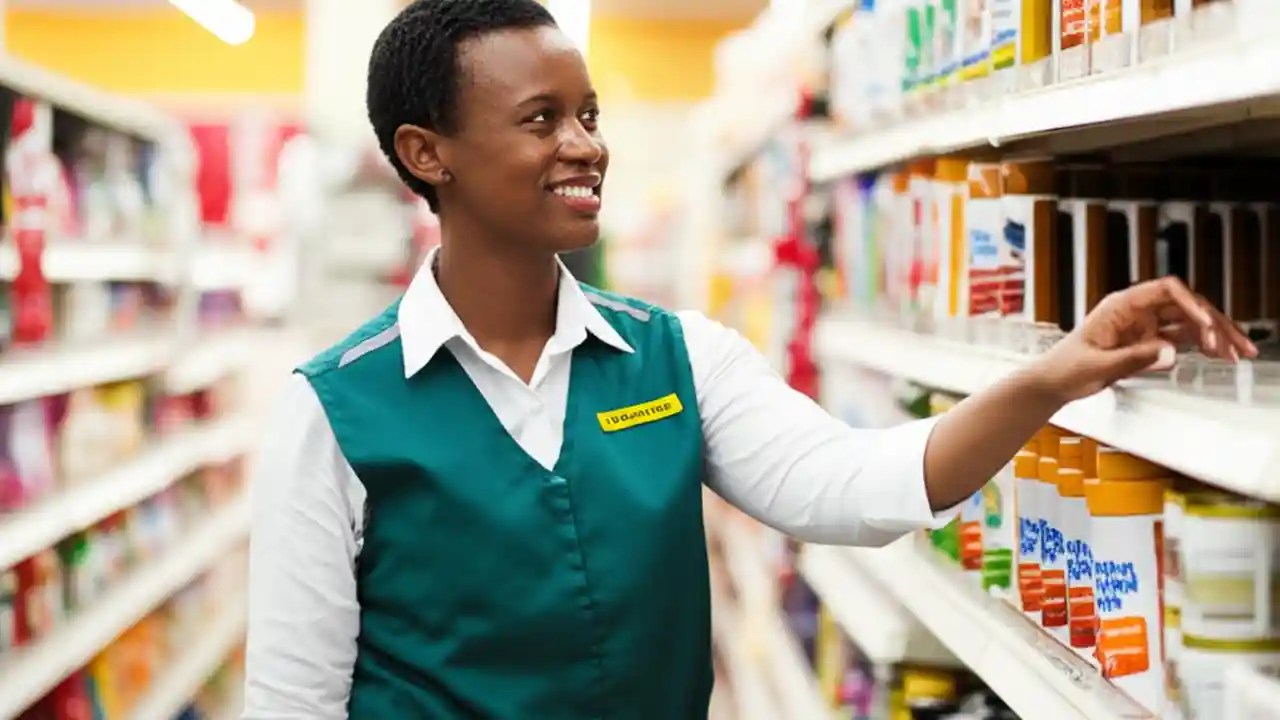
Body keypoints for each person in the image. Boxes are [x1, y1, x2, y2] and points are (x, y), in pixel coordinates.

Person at [241, 1, 1255, 718]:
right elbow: (294, 701)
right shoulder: (333, 411)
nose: (585, 145)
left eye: (588, 113)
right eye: (539, 119)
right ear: (428, 154)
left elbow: (853, 488)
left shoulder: (677, 357)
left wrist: (1053, 372)